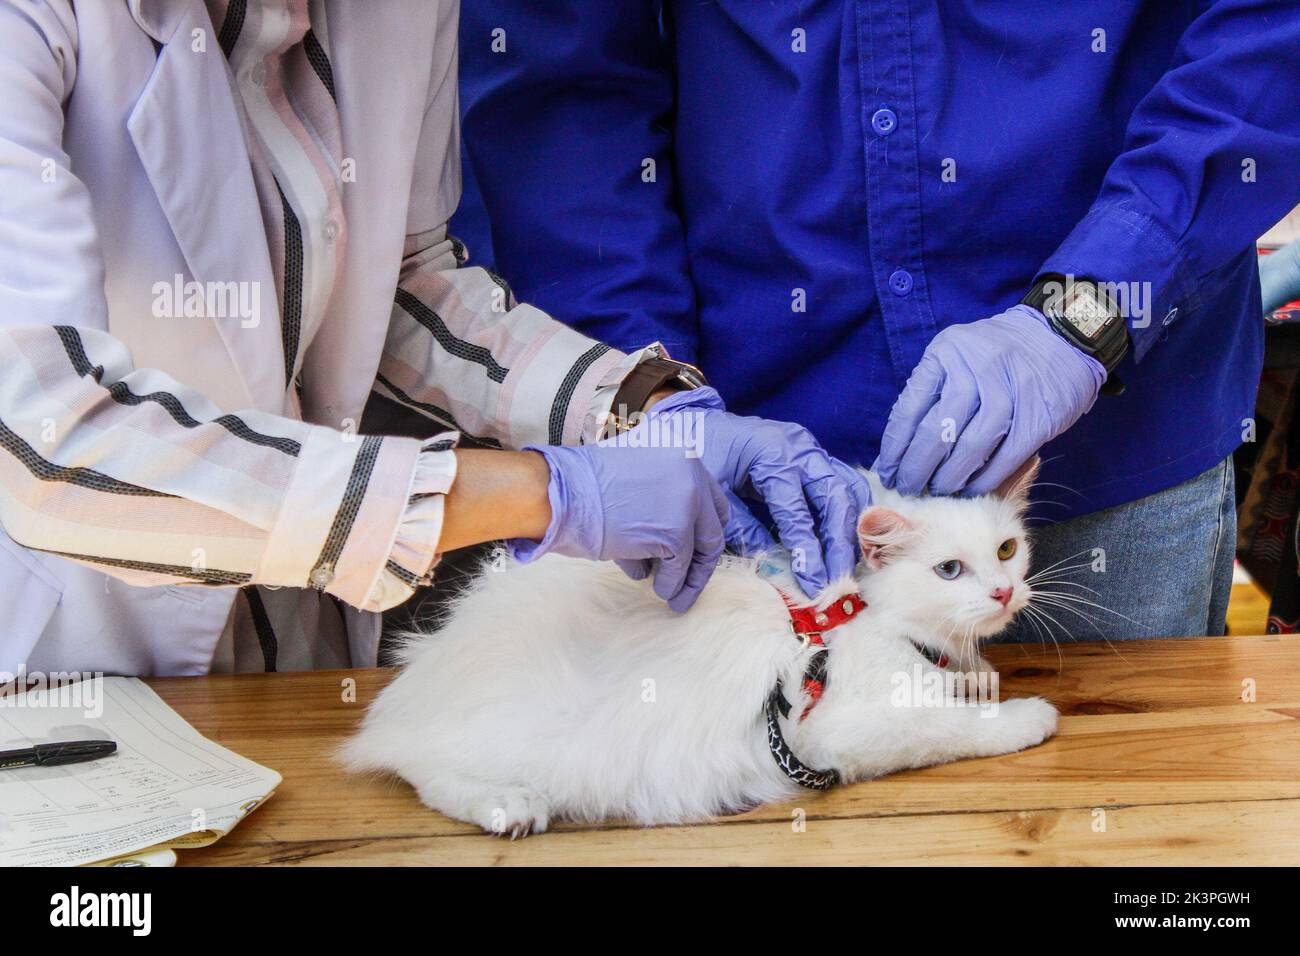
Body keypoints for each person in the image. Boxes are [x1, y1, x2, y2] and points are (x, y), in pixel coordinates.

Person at [0, 0, 869, 677]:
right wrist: (543, 492)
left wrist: (639, 407)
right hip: (71, 655)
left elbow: (403, 282)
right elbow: (47, 443)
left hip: (297, 649)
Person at [454, 1, 1300, 640]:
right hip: (745, 480)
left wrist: (1095, 306)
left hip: (1118, 438)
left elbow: (1269, 29)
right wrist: (644, 393)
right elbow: (562, 87)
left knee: (1131, 832)